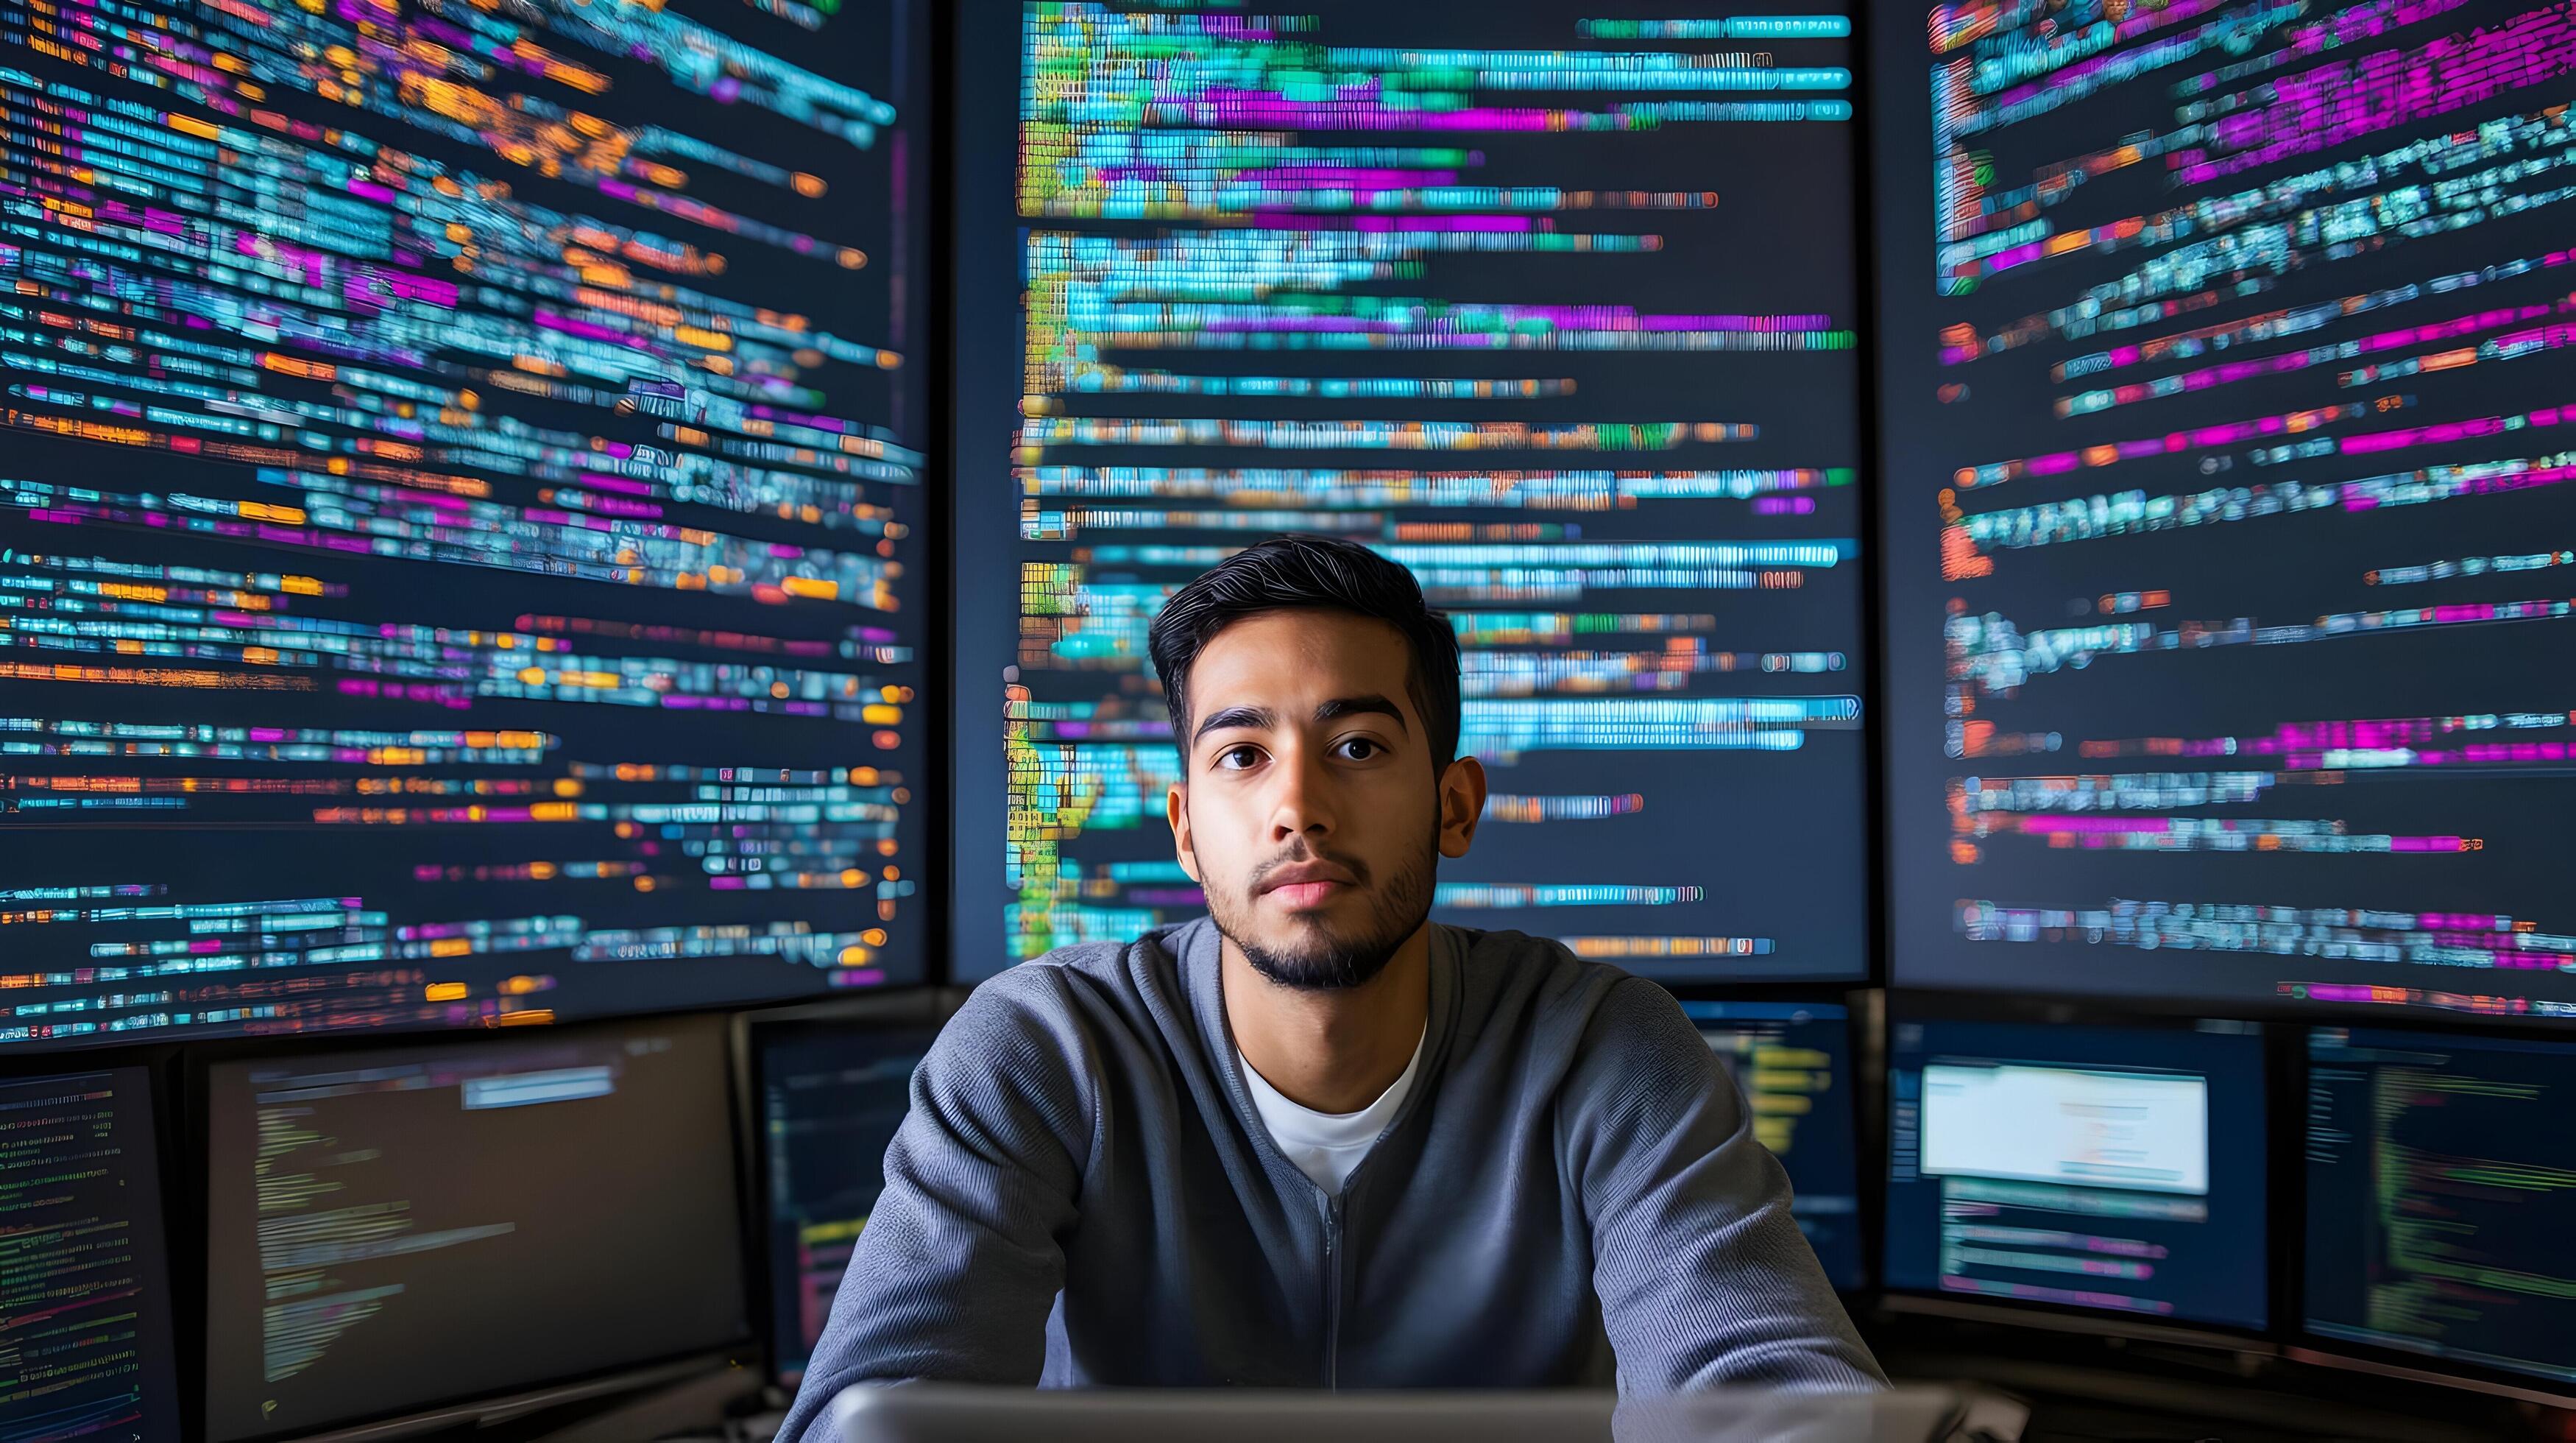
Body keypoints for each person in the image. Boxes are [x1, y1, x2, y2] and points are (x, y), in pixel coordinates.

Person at [779, 534, 1883, 1436]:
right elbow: (876, 1411)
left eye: (1357, 747)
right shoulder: (1043, 1048)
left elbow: (1767, 1383)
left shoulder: (1605, 1049)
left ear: (1454, 806)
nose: (1297, 808)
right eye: (1242, 755)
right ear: (1186, 830)